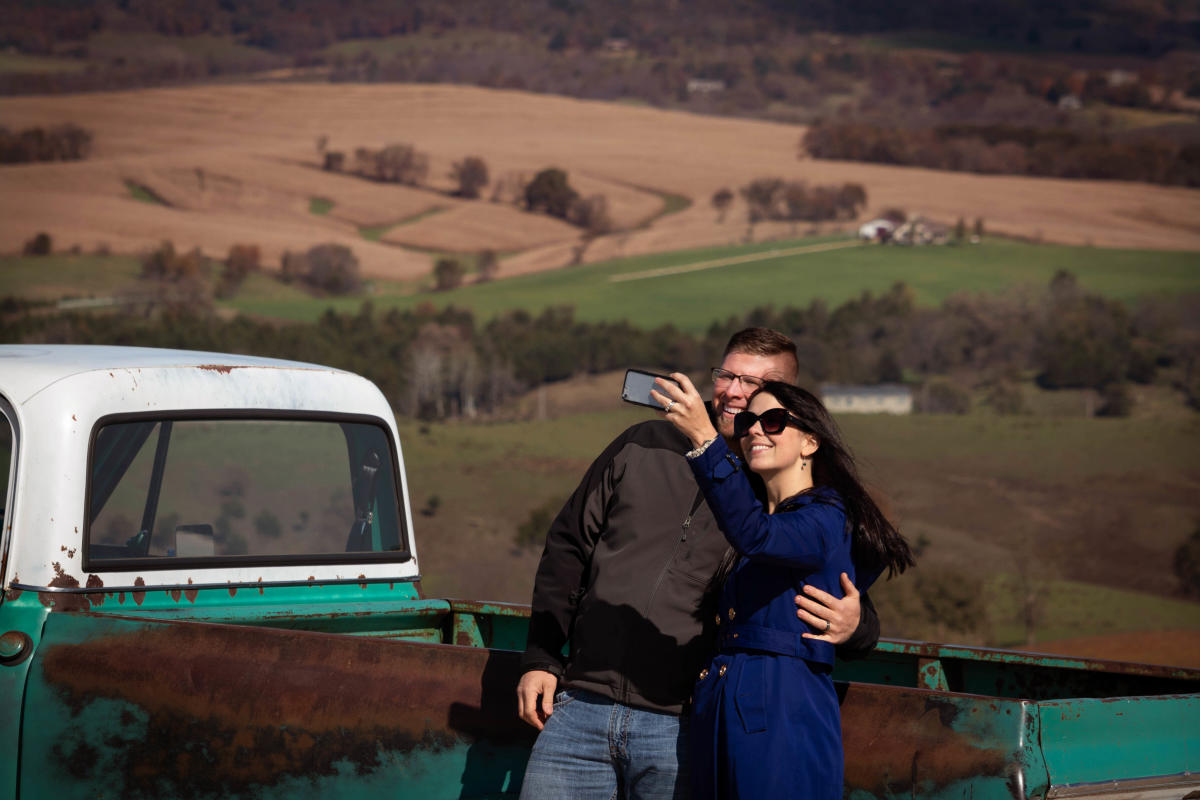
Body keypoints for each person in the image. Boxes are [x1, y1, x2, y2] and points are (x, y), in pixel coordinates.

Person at [516, 328, 881, 800]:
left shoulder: (775, 482)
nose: (734, 391)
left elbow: (833, 580)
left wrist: (857, 625)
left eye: (754, 385)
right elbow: (568, 547)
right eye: (727, 375)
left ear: (786, 401)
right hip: (580, 704)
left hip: (684, 724)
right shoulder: (641, 442)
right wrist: (542, 657)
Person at [652, 376, 914, 799]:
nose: (755, 428)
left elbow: (756, 535)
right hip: (721, 699)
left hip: (781, 702)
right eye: (748, 422)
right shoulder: (755, 517)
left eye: (773, 421)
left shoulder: (825, 516)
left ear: (810, 442)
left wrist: (705, 439)